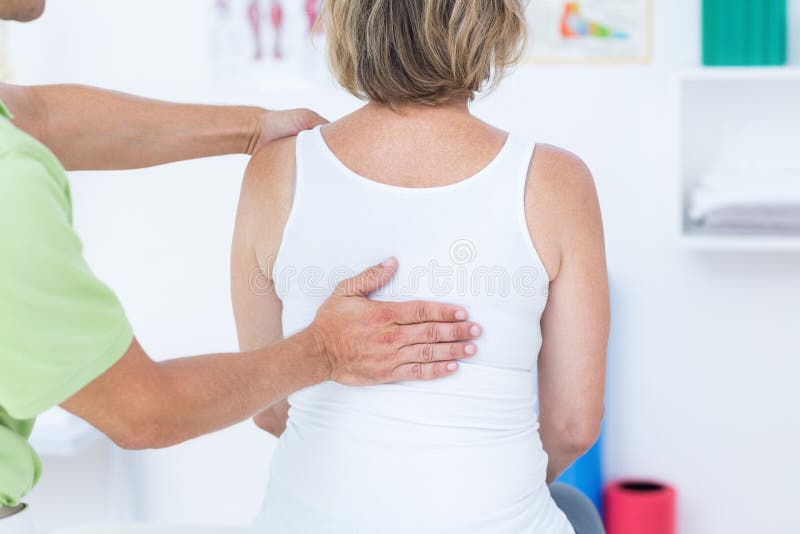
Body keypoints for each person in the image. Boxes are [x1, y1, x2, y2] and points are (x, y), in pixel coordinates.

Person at [0, 1, 483, 530]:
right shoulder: (8, 185)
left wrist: (253, 129)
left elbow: (36, 116)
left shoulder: (279, 170)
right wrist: (326, 349)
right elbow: (143, 412)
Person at [231, 0, 610, 532]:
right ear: (492, 22)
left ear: (348, 23)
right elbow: (573, 426)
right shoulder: (556, 181)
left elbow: (268, 405)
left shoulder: (274, 171)